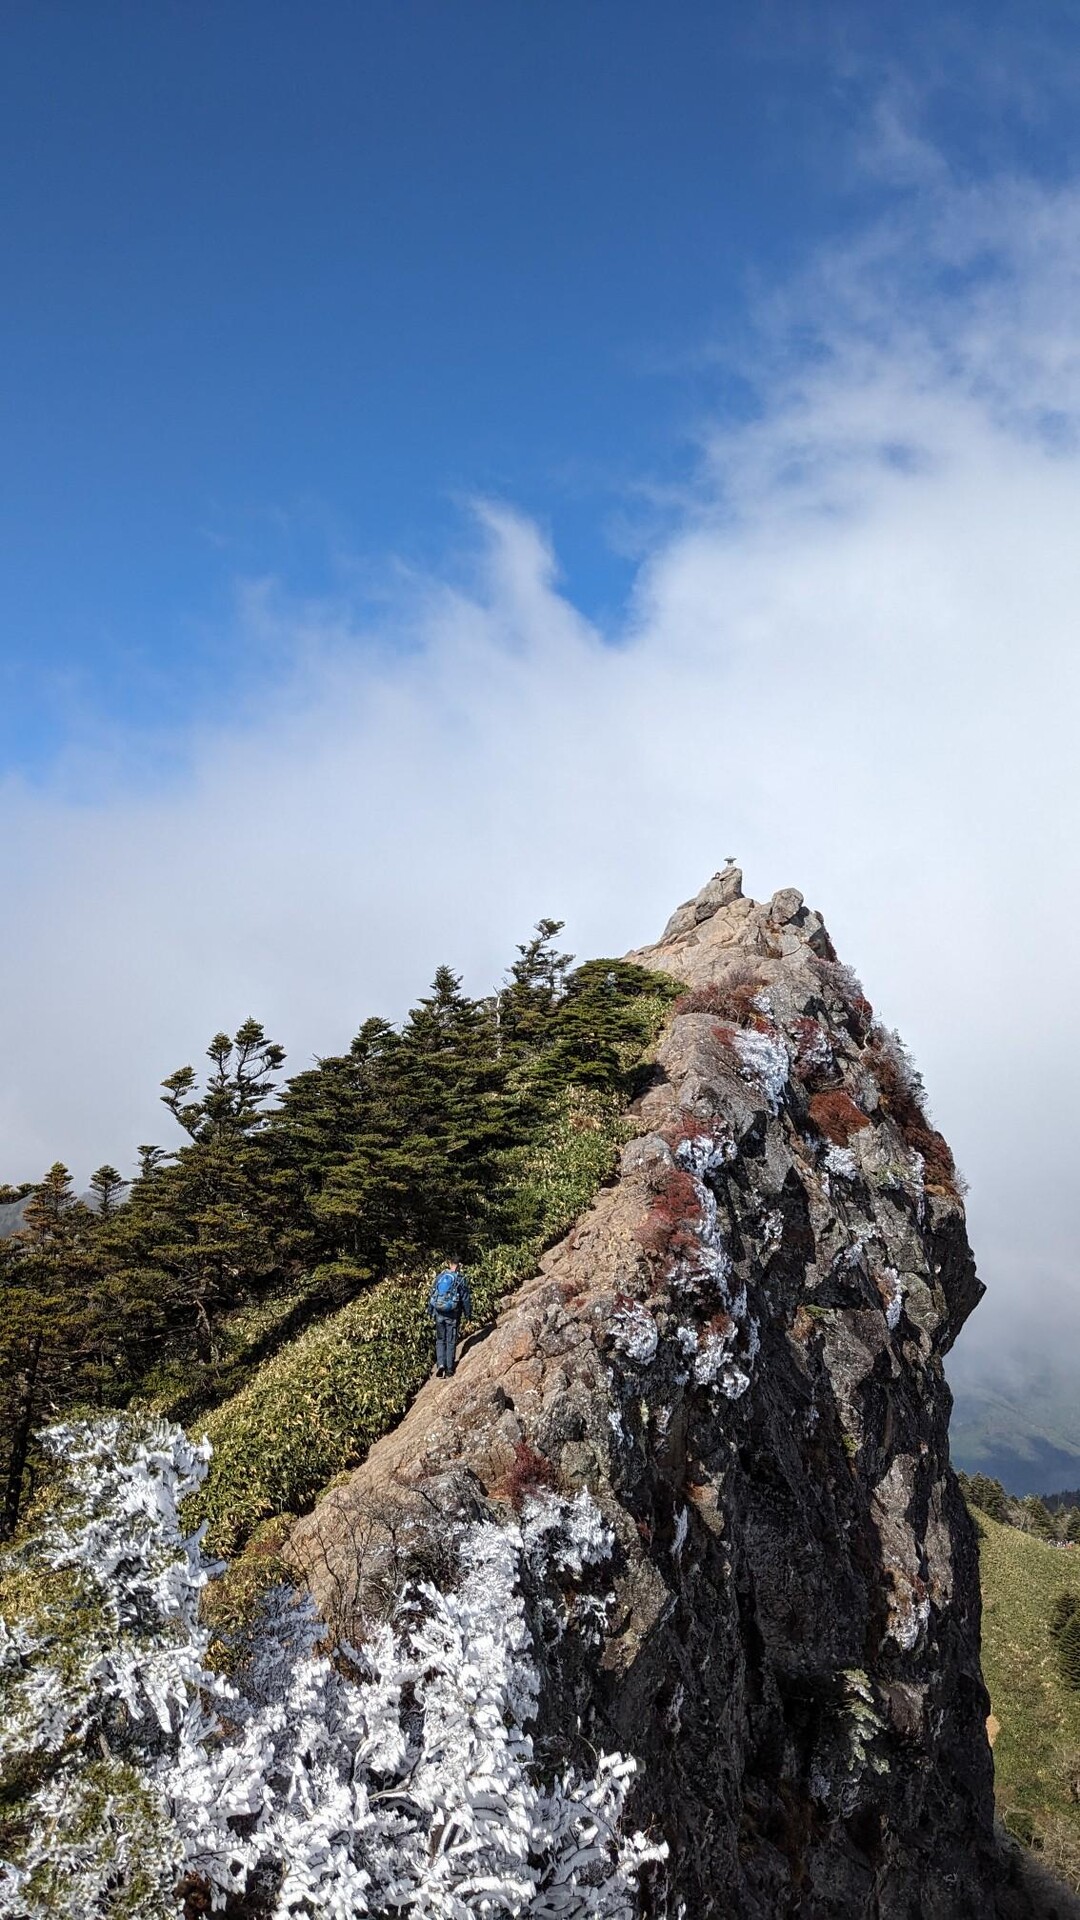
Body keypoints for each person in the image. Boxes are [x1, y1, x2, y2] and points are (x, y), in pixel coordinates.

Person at [427, 1258, 471, 1378]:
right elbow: (465, 1299)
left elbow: (433, 1293)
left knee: (440, 1340)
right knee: (450, 1341)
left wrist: (430, 1311)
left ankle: (441, 1364)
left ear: (449, 1264)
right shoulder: (460, 1279)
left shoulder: (441, 1276)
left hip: (439, 1313)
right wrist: (468, 1314)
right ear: (459, 1265)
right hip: (452, 1315)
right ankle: (449, 1369)